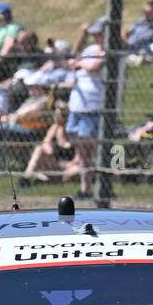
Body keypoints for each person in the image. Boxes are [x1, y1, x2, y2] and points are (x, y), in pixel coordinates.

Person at [65, 22, 105, 196]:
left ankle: (106, 184)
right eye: (94, 34)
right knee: (82, 152)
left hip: (93, 107)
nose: (97, 37)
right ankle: (85, 188)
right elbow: (73, 59)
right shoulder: (90, 49)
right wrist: (82, 34)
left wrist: (79, 63)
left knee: (95, 148)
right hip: (77, 106)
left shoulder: (108, 51)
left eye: (99, 34)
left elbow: (94, 66)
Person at [22, 104, 76, 183]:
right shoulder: (55, 128)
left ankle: (50, 179)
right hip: (55, 164)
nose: (56, 117)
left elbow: (80, 155)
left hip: (69, 165)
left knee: (76, 170)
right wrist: (48, 147)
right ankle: (27, 177)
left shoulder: (73, 130)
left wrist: (71, 163)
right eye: (56, 114)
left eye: (59, 114)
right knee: (39, 148)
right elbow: (45, 142)